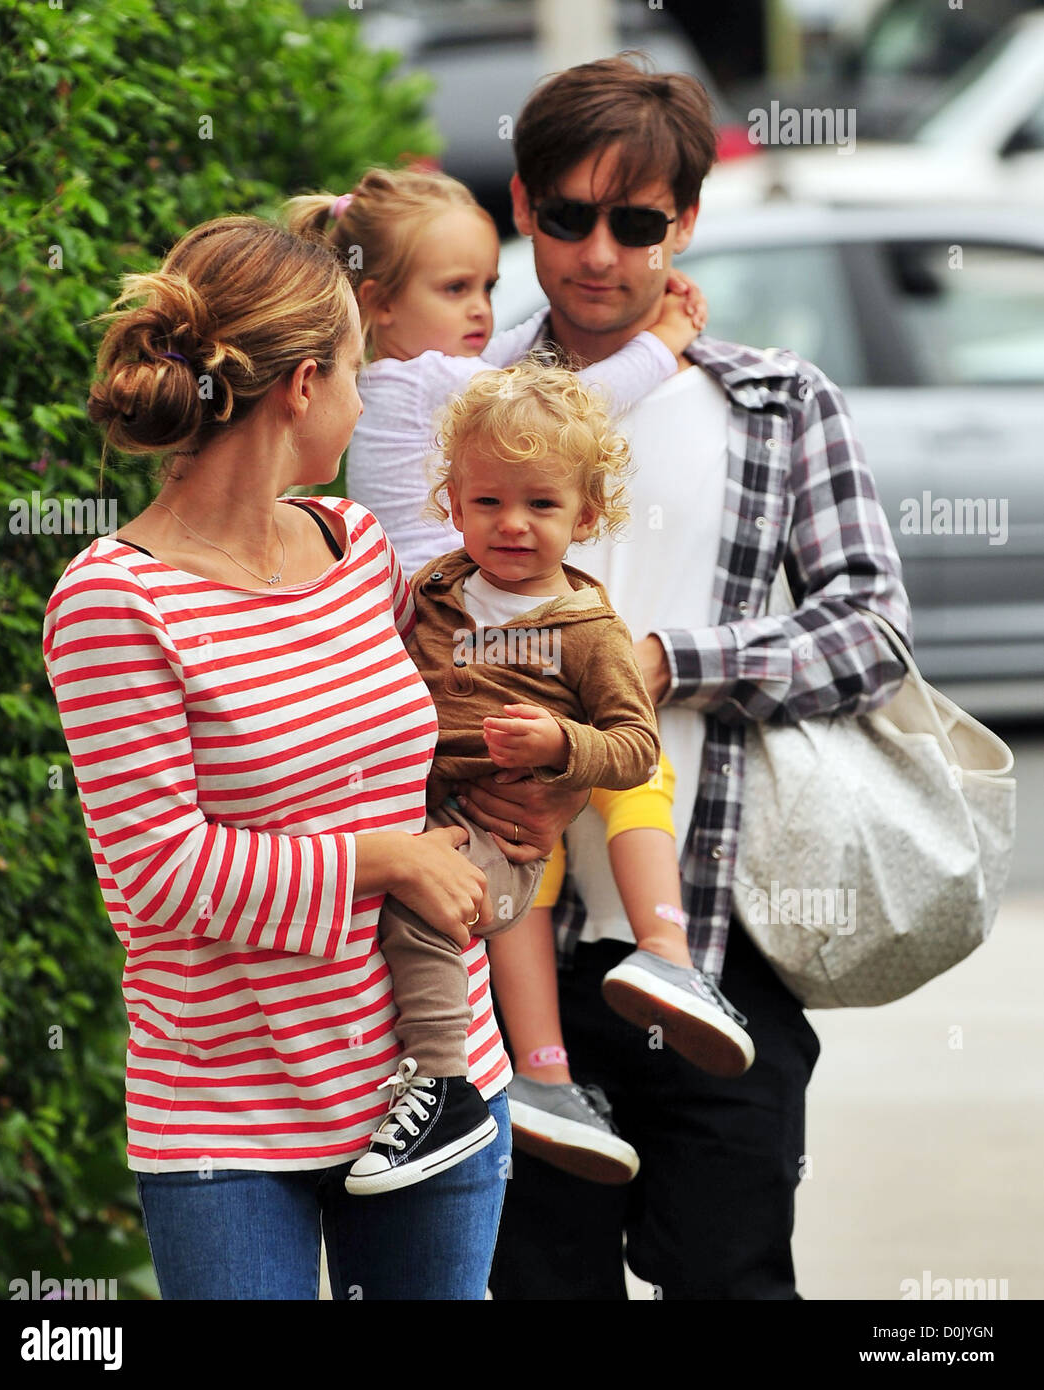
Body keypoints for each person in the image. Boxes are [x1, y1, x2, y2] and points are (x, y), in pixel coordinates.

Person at [41, 214, 587, 1300]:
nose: (363, 395)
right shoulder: (117, 601)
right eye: (353, 371)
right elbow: (155, 874)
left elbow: (435, 741)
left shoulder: (355, 545)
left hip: (434, 1085)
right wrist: (383, 861)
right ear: (301, 385)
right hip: (229, 1118)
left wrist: (541, 787)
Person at [481, 55, 914, 1300]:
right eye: (565, 216)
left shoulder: (775, 403)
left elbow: (869, 627)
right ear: (522, 205)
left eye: (636, 222)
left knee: (732, 1279)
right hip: (516, 947)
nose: (597, 254)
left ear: (685, 221)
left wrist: (673, 663)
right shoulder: (470, 410)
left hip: (719, 950)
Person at [286, 172, 755, 1187]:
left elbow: (508, 377)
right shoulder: (418, 388)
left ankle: (532, 1062)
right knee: (571, 795)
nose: (483, 316)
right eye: (455, 290)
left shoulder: (415, 378)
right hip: (467, 637)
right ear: (375, 307)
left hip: (451, 652)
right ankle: (654, 957)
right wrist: (661, 347)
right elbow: (567, 409)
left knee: (503, 850)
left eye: (485, 288)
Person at [283, 166, 707, 580]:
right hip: (442, 604)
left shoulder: (400, 374)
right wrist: (666, 337)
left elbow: (510, 355)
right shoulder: (425, 381)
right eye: (456, 288)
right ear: (383, 304)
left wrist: (612, 295)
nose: (479, 308)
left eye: (488, 287)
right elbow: (575, 402)